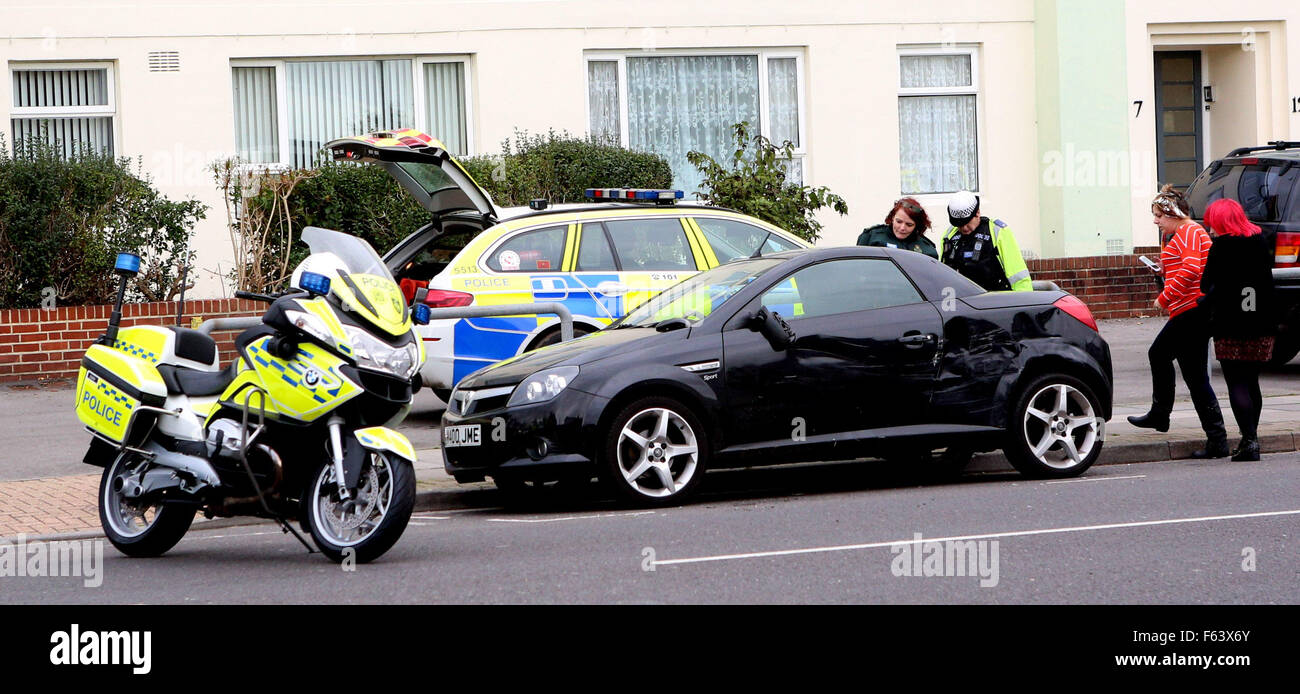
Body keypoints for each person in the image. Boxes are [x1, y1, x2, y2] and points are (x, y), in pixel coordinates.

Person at [1127, 185, 1229, 458]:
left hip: (1191, 310)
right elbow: (1187, 265)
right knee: (1195, 377)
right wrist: (1163, 269)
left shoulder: (1189, 231)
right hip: (1189, 310)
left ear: (1173, 213)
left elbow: (1192, 269)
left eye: (1159, 215)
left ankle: (1160, 414)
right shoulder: (1184, 234)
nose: (1156, 221)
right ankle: (1217, 440)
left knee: (1158, 354)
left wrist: (1164, 297)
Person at [1199, 198, 1276, 461]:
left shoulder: (1221, 247)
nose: (1210, 229)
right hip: (1261, 323)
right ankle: (1250, 439)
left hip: (1230, 324)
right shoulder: (1260, 240)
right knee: (1252, 381)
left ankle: (1250, 441)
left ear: (1221, 222)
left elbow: (1206, 285)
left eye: (1212, 224)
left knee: (1237, 382)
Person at [940, 191, 1032, 291]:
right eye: (959, 225)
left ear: (977, 213)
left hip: (997, 298)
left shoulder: (998, 232)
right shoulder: (949, 236)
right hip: (963, 298)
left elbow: (1018, 276)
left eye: (967, 222)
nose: (964, 228)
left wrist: (1024, 299)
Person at [857, 197, 938, 259]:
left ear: (917, 225)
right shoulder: (872, 236)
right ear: (892, 218)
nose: (902, 228)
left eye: (909, 225)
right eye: (899, 222)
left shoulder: (926, 249)